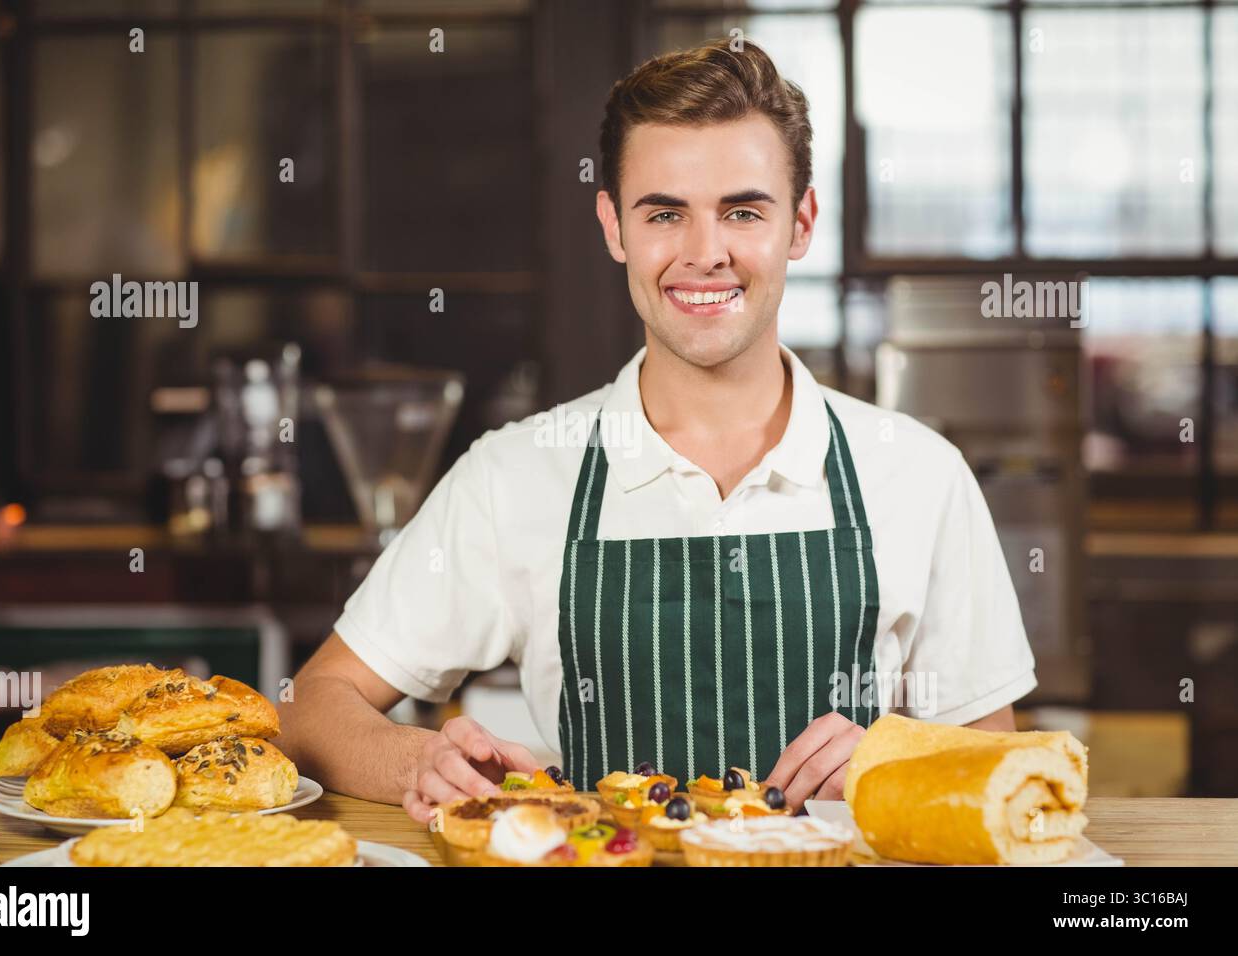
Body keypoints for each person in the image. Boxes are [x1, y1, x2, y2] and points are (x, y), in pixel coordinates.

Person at [276, 37, 1035, 823]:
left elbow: (1004, 772)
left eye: (743, 211)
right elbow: (309, 706)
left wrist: (892, 757)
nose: (705, 254)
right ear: (613, 227)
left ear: (801, 223)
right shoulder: (515, 475)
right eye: (665, 214)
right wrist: (419, 758)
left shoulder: (918, 474)